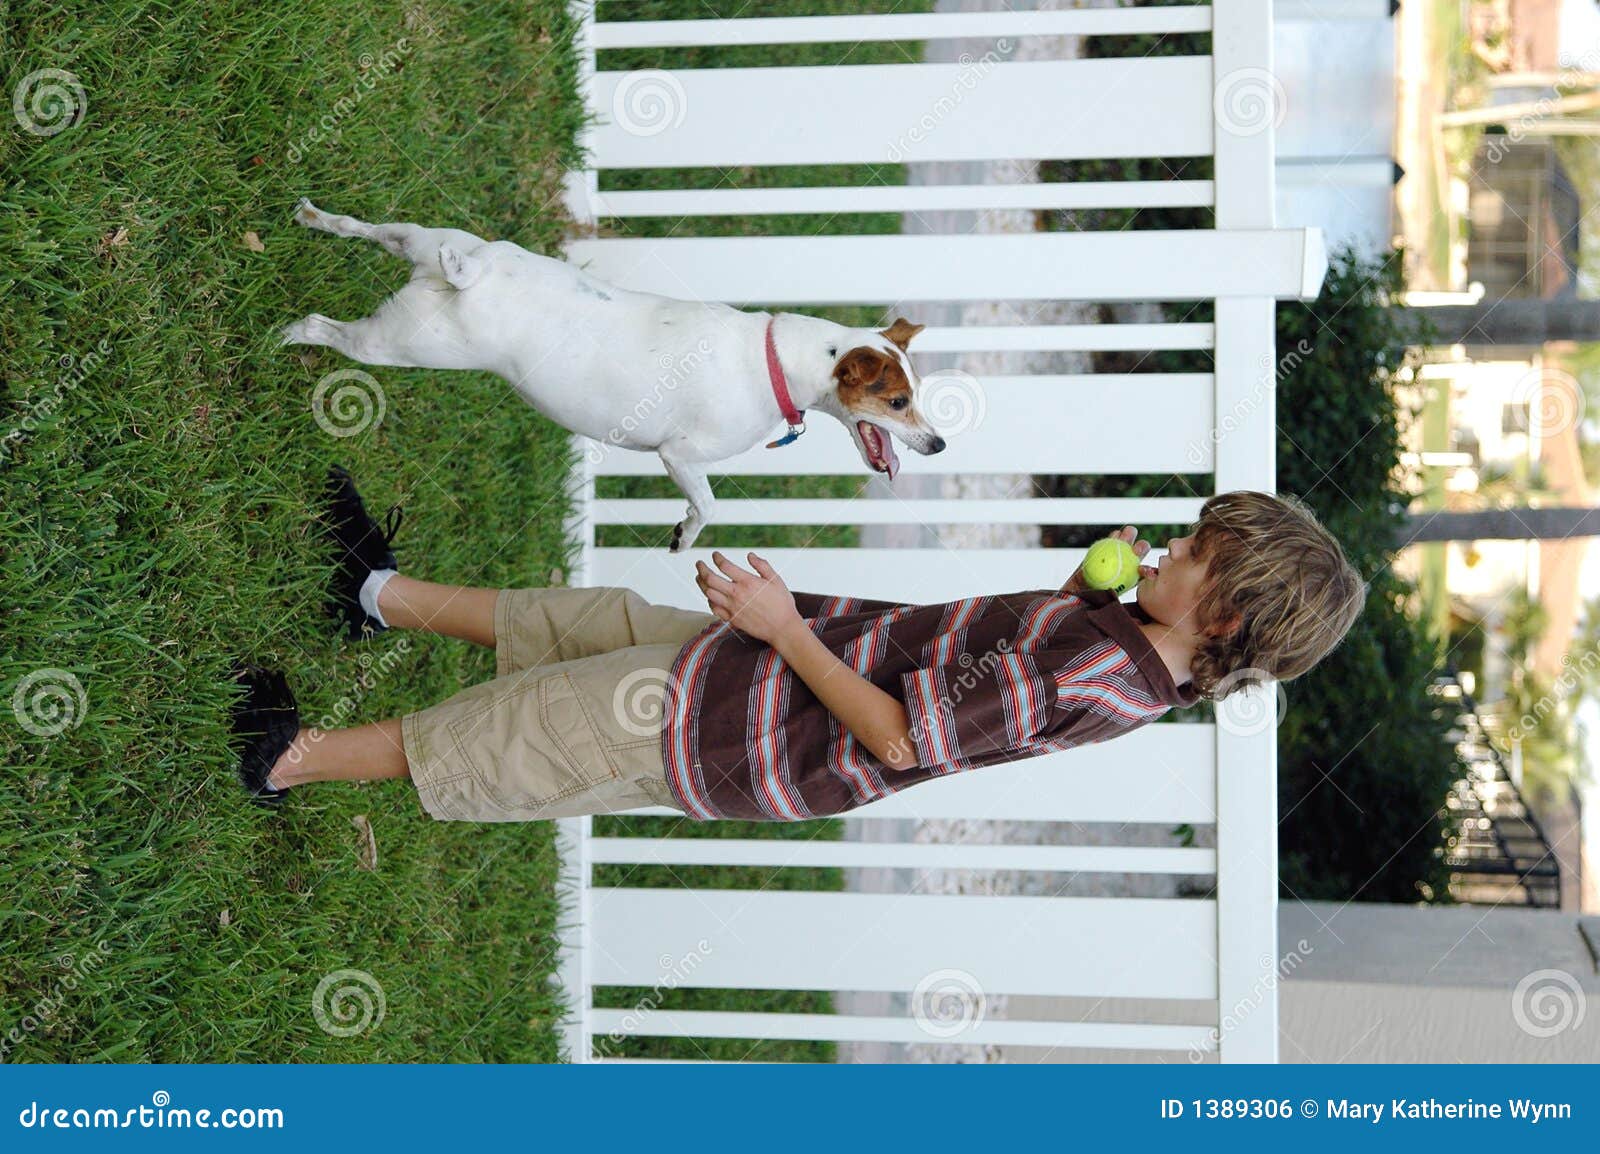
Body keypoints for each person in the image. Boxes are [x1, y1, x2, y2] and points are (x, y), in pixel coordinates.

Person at [230, 468, 1366, 822]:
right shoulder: (1120, 641)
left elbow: (902, 733)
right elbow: (1014, 652)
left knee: (539, 728)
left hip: (748, 720)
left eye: (1194, 554)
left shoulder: (1097, 676)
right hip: (765, 666)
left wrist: (779, 625)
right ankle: (376, 595)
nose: (1171, 546)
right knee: (583, 624)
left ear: (1221, 621)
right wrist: (1088, 579)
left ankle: (286, 757)